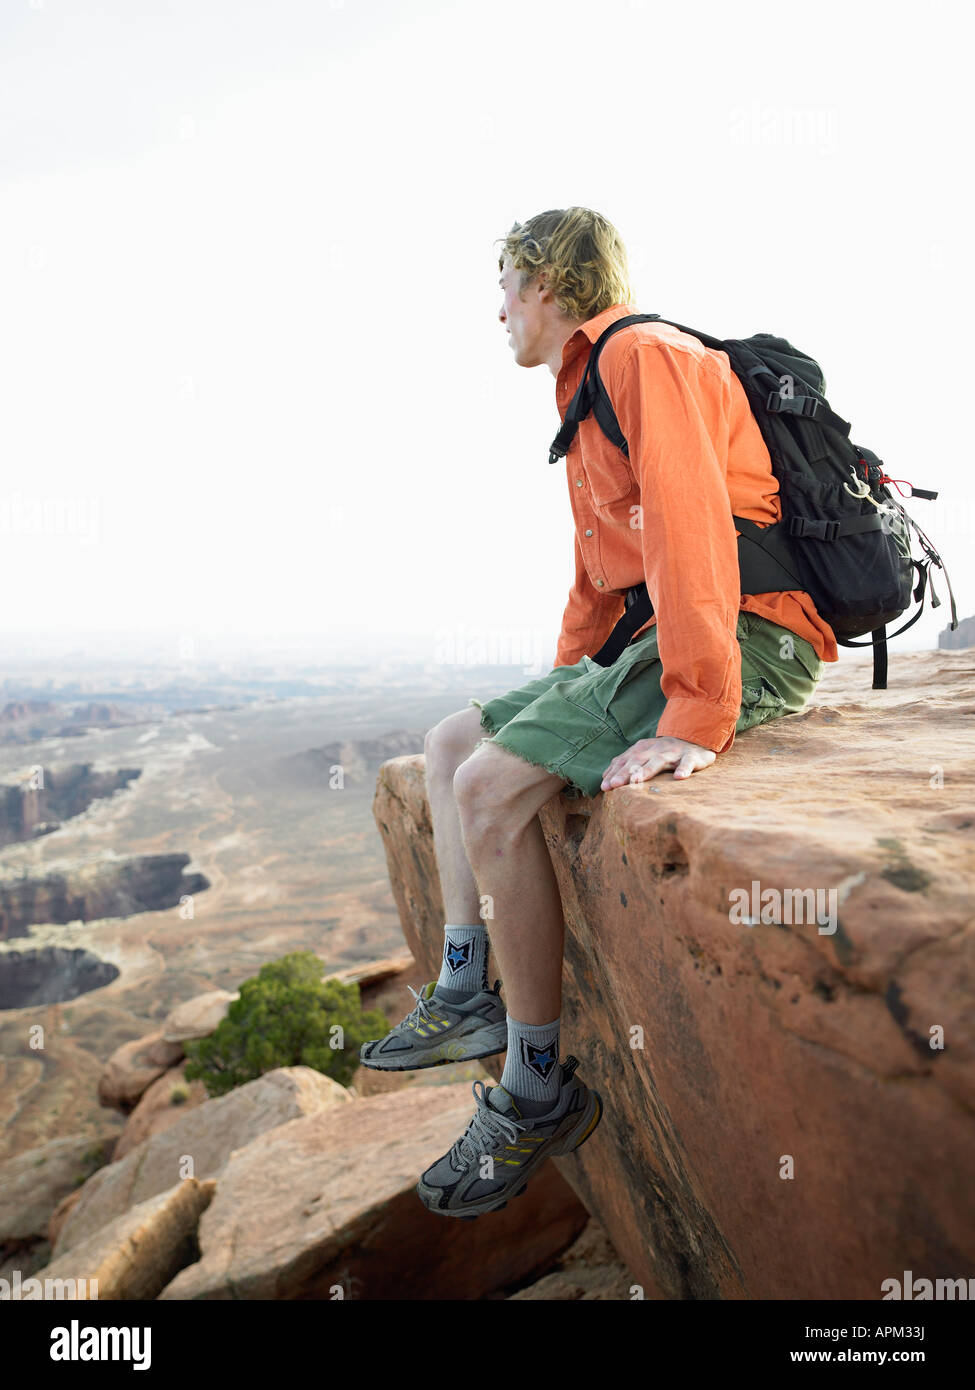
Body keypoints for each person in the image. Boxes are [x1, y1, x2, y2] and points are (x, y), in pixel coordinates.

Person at [360, 206, 837, 1219]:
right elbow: (599, 580)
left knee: (489, 792)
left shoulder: (643, 357)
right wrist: (564, 701)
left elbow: (693, 530)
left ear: (549, 284)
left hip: (752, 632)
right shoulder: (587, 389)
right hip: (663, 629)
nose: (497, 311)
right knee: (456, 743)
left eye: (505, 287)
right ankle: (464, 991)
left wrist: (694, 715)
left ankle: (534, 1089)